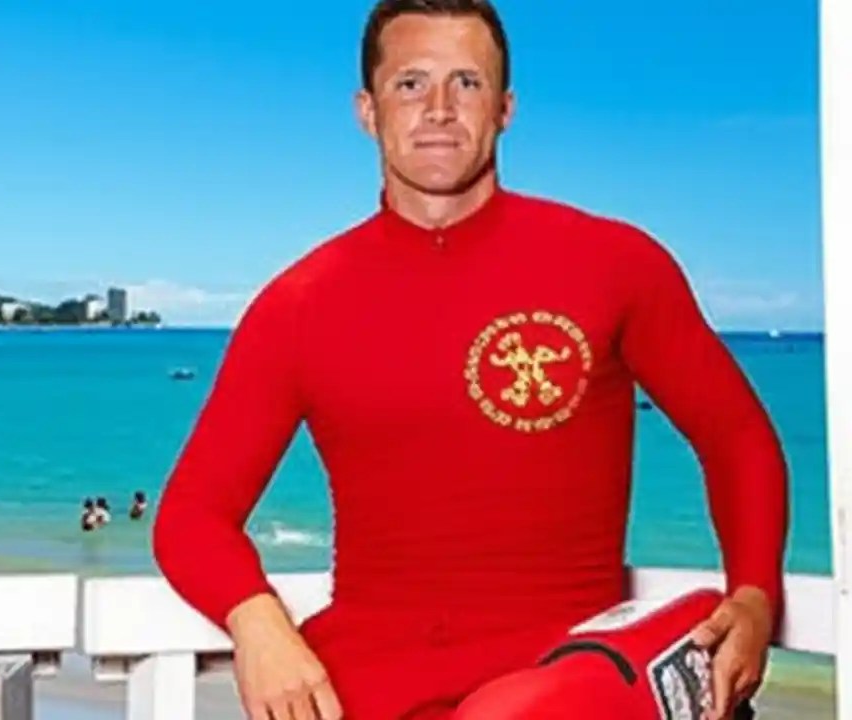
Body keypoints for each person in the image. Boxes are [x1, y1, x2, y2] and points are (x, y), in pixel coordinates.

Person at [150, 1, 788, 719]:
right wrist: (256, 620)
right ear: (368, 111)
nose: (440, 109)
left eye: (467, 83)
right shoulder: (297, 306)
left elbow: (735, 436)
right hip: (375, 681)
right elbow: (192, 515)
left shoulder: (614, 265)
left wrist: (754, 595)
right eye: (411, 84)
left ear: (505, 109)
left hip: (569, 678)